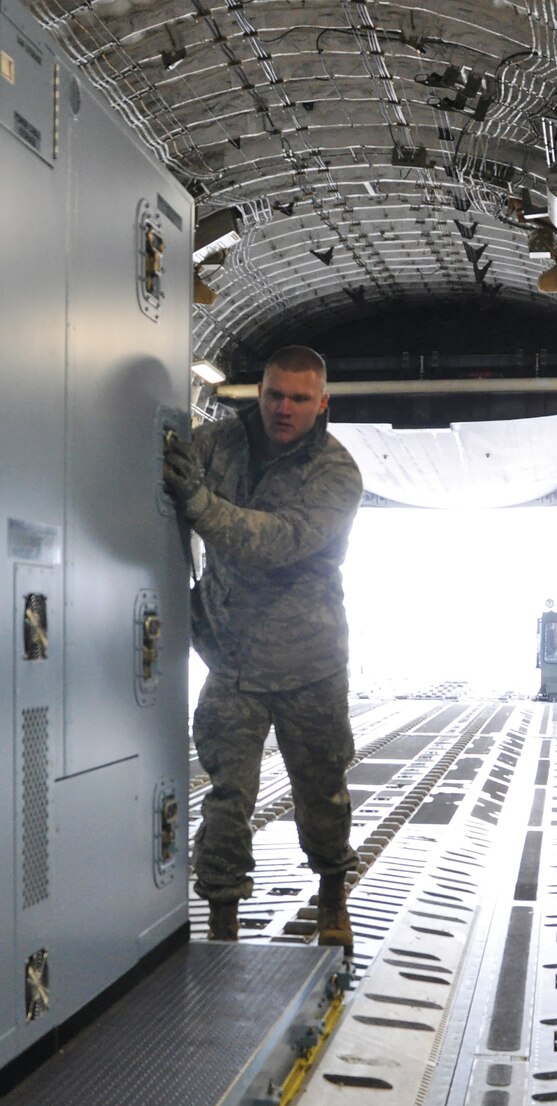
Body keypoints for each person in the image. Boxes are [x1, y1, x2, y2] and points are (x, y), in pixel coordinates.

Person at [162, 345, 363, 950]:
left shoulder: (335, 473)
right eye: (275, 394)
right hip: (233, 660)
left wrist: (199, 505)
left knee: (321, 792)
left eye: (300, 398)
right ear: (260, 393)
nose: (284, 408)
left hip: (309, 663)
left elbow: (278, 541)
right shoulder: (218, 446)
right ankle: (222, 915)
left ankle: (332, 893)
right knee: (227, 797)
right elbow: (160, 466)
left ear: (321, 403)